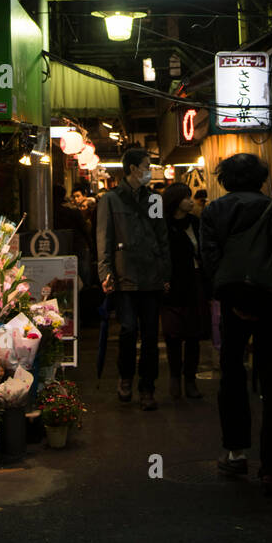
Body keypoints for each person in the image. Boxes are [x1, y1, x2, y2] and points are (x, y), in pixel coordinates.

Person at [199, 153, 272, 497]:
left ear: (225, 179)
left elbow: (210, 262)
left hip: (233, 305)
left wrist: (233, 303)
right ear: (262, 178)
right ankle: (271, 468)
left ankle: (236, 452)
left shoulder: (213, 211)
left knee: (232, 375)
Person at [96, 146, 171, 410]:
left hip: (151, 276)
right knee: (128, 330)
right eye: (147, 166)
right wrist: (105, 273)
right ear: (133, 169)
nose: (150, 171)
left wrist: (165, 274)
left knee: (151, 335)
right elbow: (103, 239)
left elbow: (163, 240)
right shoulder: (111, 200)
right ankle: (125, 377)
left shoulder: (154, 200)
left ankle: (147, 387)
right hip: (124, 275)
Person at [160, 183, 211, 400]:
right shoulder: (163, 226)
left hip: (195, 282)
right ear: (175, 202)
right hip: (172, 284)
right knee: (173, 334)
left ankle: (190, 380)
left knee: (193, 333)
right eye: (186, 198)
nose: (191, 201)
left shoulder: (196, 223)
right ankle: (174, 378)